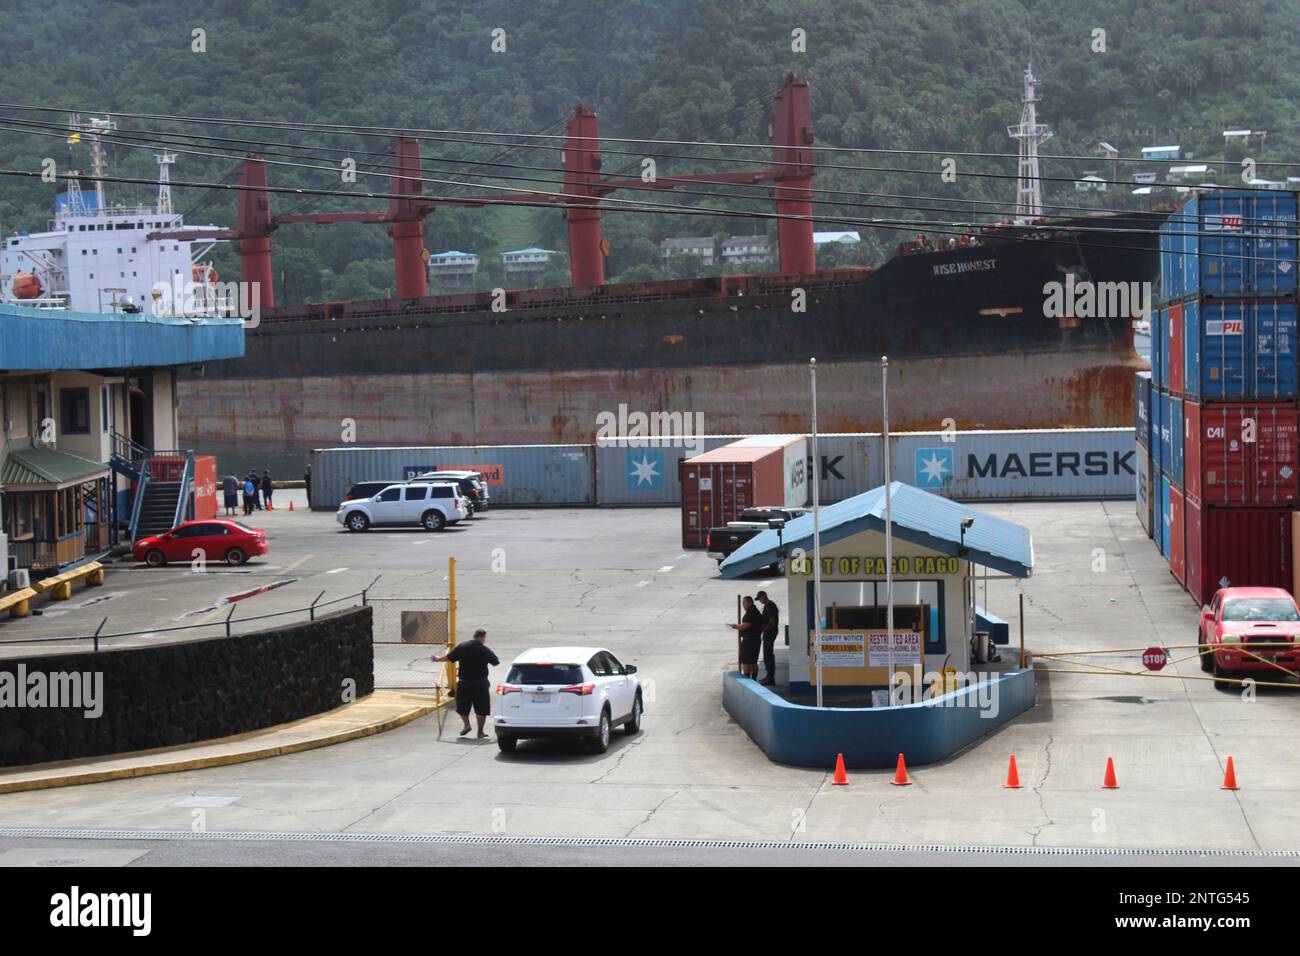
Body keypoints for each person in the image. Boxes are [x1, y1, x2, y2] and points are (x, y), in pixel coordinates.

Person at [432, 628, 500, 738]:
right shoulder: (484, 650)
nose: (485, 640)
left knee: (461, 706)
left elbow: (449, 657)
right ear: (481, 637)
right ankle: (480, 732)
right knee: (482, 708)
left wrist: (437, 658)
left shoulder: (462, 646)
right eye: (484, 638)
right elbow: (496, 662)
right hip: (480, 683)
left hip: (465, 682)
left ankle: (467, 725)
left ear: (474, 636)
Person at [728, 596, 764, 678]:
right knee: (753, 662)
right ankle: (754, 680)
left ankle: (747, 680)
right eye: (742, 603)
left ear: (750, 602)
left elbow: (746, 625)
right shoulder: (754, 611)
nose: (743, 604)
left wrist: (735, 626)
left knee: (746, 662)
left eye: (744, 602)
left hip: (749, 641)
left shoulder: (751, 612)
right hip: (755, 639)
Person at [756, 590, 780, 686]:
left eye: (760, 598)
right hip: (768, 632)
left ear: (765, 596)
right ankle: (769, 676)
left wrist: (763, 629)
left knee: (768, 655)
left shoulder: (770, 606)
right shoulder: (767, 605)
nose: (760, 600)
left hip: (770, 633)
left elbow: (772, 622)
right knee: (767, 654)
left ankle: (770, 677)